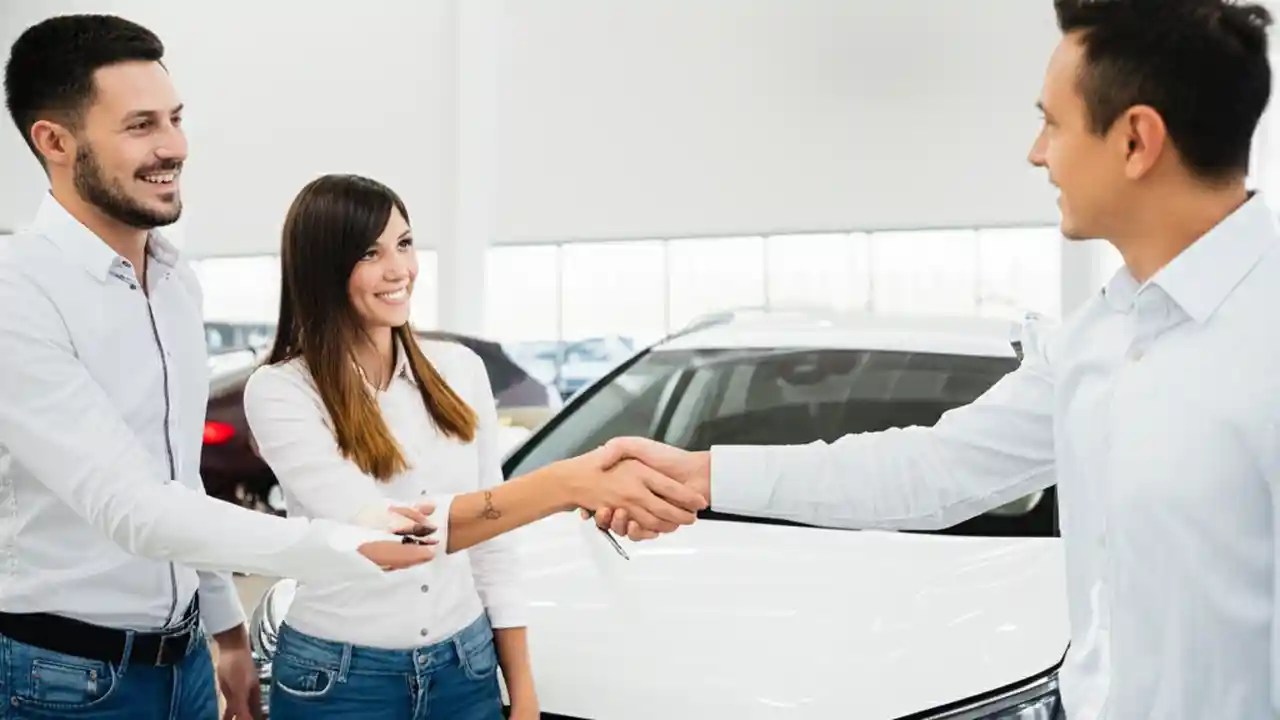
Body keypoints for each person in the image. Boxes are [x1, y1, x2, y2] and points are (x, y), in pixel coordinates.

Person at [594, 1, 1280, 717]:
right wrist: (701, 473)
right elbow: (930, 470)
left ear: (1136, 140)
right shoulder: (1094, 339)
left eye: (1052, 122)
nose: (1036, 152)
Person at [0, 15, 443, 720]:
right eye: (140, 125)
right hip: (61, 679)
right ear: (54, 141)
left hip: (184, 666)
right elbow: (133, 509)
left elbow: (177, 482)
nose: (173, 146)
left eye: (175, 118)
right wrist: (340, 542)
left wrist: (226, 632)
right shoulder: (15, 291)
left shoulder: (175, 283)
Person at [242, 173, 707, 720]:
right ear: (323, 267)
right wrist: (562, 485)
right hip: (339, 680)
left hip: (465, 670)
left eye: (405, 243)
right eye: (371, 252)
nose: (400, 270)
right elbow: (381, 532)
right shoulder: (280, 392)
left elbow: (493, 551)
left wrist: (524, 693)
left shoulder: (460, 371)